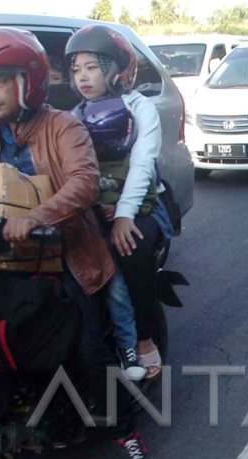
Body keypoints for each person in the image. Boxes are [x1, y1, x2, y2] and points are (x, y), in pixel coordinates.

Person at [0, 27, 156, 459]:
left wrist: (38, 214)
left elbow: (83, 180)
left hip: (68, 255)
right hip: (7, 258)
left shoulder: (63, 125)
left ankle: (127, 433)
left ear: (28, 80)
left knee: (89, 352)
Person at [66, 25, 175, 382]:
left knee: (132, 250)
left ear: (115, 69)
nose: (83, 76)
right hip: (93, 204)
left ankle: (143, 337)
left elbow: (144, 163)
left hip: (142, 201)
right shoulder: (73, 115)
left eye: (92, 67)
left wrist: (124, 214)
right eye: (76, 69)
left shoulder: (138, 106)